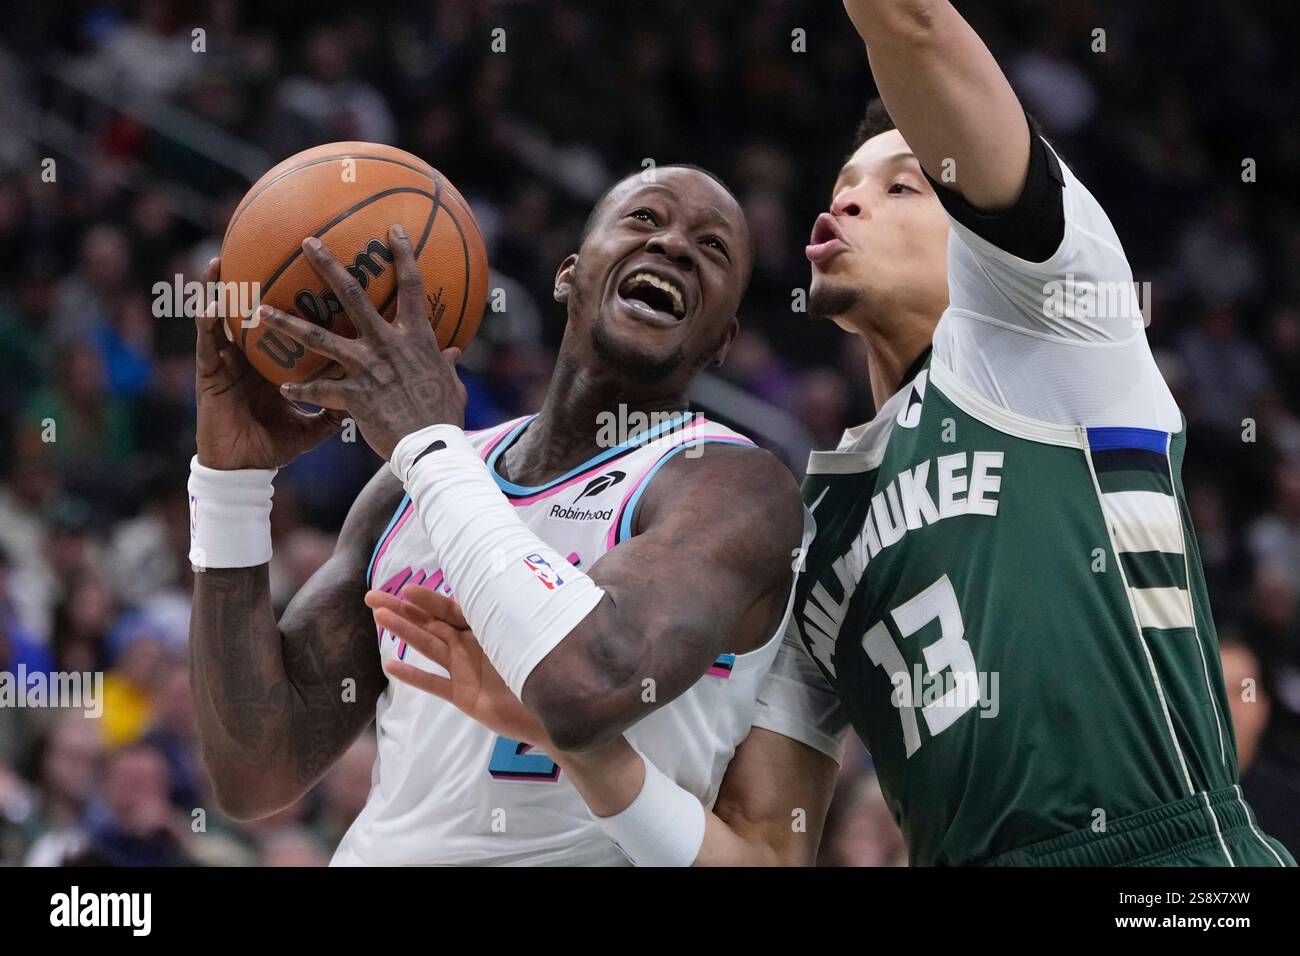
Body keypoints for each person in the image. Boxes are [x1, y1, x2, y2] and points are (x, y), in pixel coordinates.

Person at [384, 0, 1294, 867]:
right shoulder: (805, 529)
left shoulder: (1057, 330)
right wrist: (584, 752)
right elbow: (765, 852)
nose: (849, 203)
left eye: (904, 186)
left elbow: (915, 24)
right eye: (843, 188)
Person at [188, 164, 816, 865]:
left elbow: (589, 685)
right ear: (569, 275)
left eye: (713, 247)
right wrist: (231, 486)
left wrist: (429, 446)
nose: (673, 246)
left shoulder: (732, 486)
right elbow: (256, 769)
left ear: (722, 340)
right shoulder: (408, 489)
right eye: (645, 219)